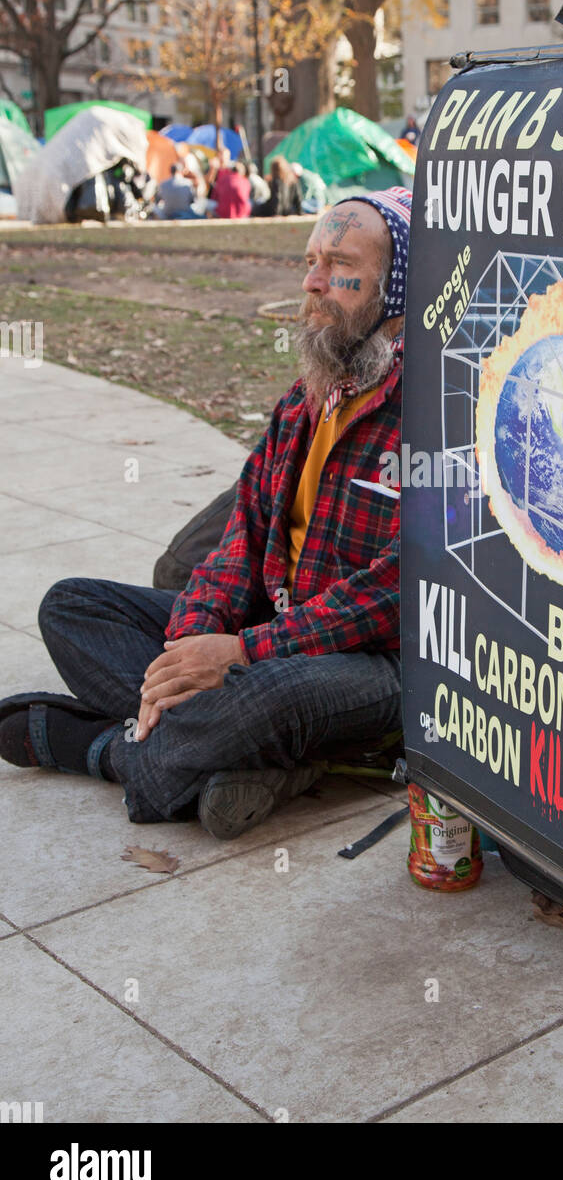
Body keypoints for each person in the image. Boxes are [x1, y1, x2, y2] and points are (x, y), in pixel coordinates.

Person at [0, 187, 413, 840]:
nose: (311, 282)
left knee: (261, 698)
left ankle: (103, 749)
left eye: (338, 265)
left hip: (376, 664)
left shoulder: (438, 413)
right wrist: (192, 641)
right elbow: (239, 541)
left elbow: (397, 594)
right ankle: (247, 761)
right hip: (275, 625)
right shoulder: (303, 402)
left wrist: (244, 651)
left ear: (398, 290)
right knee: (71, 606)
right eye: (310, 261)